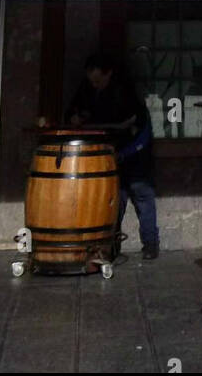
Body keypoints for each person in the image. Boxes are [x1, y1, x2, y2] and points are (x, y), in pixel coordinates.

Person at [66, 51, 160, 260]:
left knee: (142, 197)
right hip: (112, 155)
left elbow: (141, 131)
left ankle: (150, 245)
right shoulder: (89, 90)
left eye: (98, 80)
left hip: (134, 155)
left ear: (109, 74)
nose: (95, 84)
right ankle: (111, 247)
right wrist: (76, 116)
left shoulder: (125, 93)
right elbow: (77, 109)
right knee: (114, 202)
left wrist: (125, 153)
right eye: (92, 80)